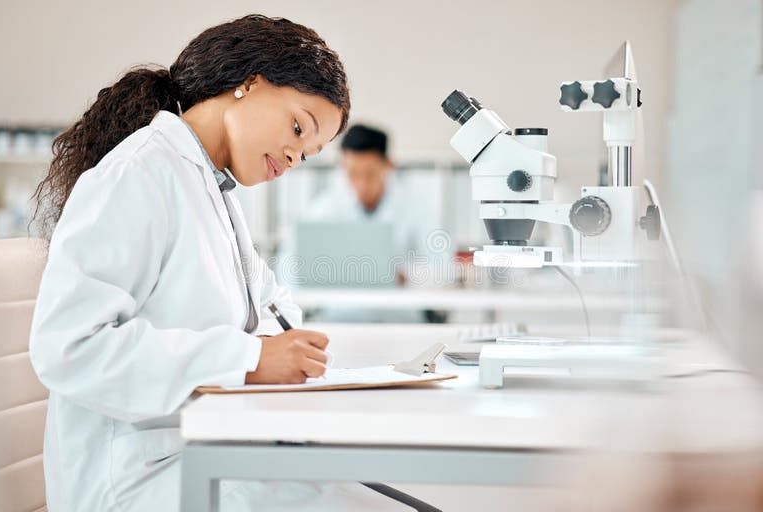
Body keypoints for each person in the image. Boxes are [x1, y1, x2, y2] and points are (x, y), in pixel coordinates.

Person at [29, 15, 405, 512]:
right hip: (130, 480)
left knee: (357, 492)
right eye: (298, 128)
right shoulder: (140, 173)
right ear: (248, 82)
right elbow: (68, 347)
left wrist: (283, 349)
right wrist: (249, 360)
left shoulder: (213, 188)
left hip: (196, 448)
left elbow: (266, 300)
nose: (293, 157)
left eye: (307, 154)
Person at [277, 124, 450, 322]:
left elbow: (443, 266)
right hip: (339, 319)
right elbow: (288, 268)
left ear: (389, 165)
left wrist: (404, 275)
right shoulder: (323, 209)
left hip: (400, 319)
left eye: (370, 173)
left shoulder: (416, 208)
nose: (361, 184)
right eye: (353, 174)